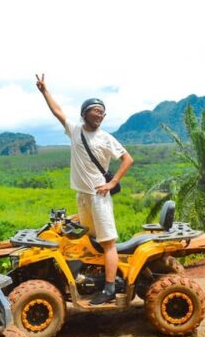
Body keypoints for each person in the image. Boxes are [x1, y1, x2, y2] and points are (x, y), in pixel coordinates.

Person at [35, 74, 134, 305]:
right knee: (89, 236)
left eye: (102, 112)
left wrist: (112, 183)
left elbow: (127, 159)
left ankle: (109, 289)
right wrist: (44, 91)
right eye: (95, 110)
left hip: (99, 196)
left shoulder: (106, 138)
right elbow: (58, 112)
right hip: (82, 196)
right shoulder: (75, 130)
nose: (99, 114)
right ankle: (93, 278)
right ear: (84, 113)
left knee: (108, 241)